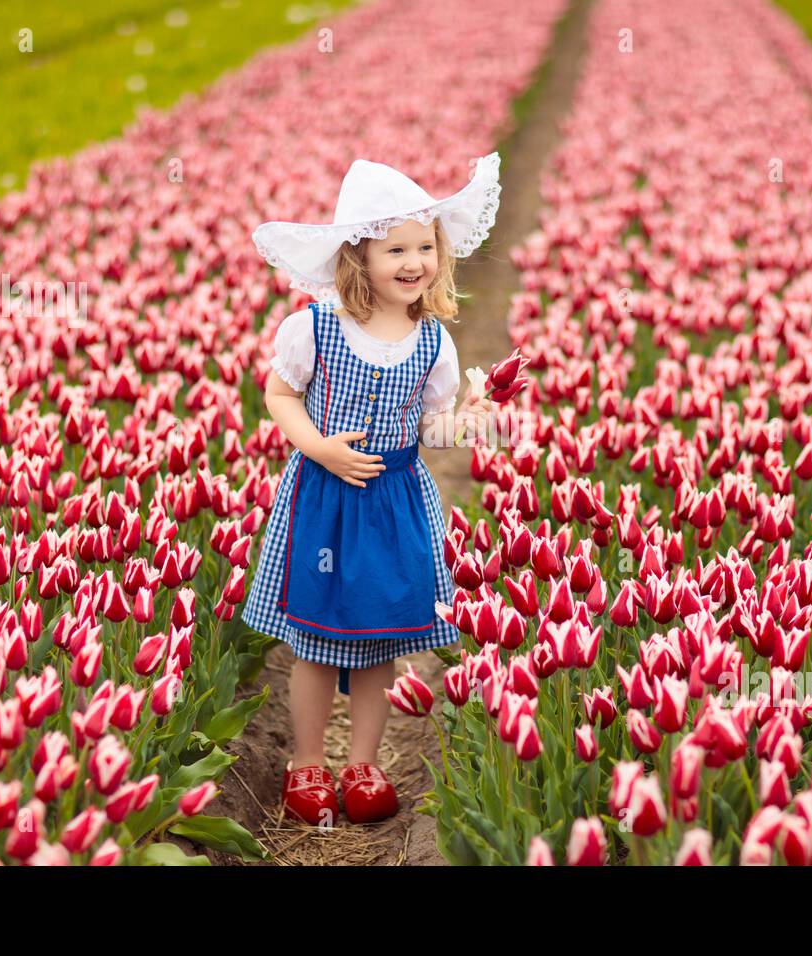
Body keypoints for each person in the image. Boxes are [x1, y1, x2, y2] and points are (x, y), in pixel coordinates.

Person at [242, 153, 500, 826]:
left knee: (380, 643)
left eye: (425, 248)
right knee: (317, 644)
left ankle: (364, 762)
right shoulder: (315, 327)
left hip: (392, 503)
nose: (414, 262)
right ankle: (305, 762)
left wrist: (466, 423)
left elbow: (430, 429)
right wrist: (319, 445)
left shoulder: (432, 342)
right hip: (326, 500)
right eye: (397, 249)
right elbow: (278, 394)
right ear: (359, 258)